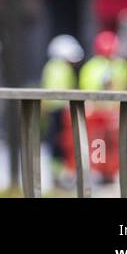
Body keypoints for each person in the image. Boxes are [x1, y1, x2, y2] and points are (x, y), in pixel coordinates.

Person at [41, 34, 84, 186]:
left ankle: (58, 174)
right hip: (58, 111)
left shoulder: (53, 67)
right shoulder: (59, 68)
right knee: (58, 143)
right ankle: (58, 175)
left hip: (57, 110)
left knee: (57, 142)